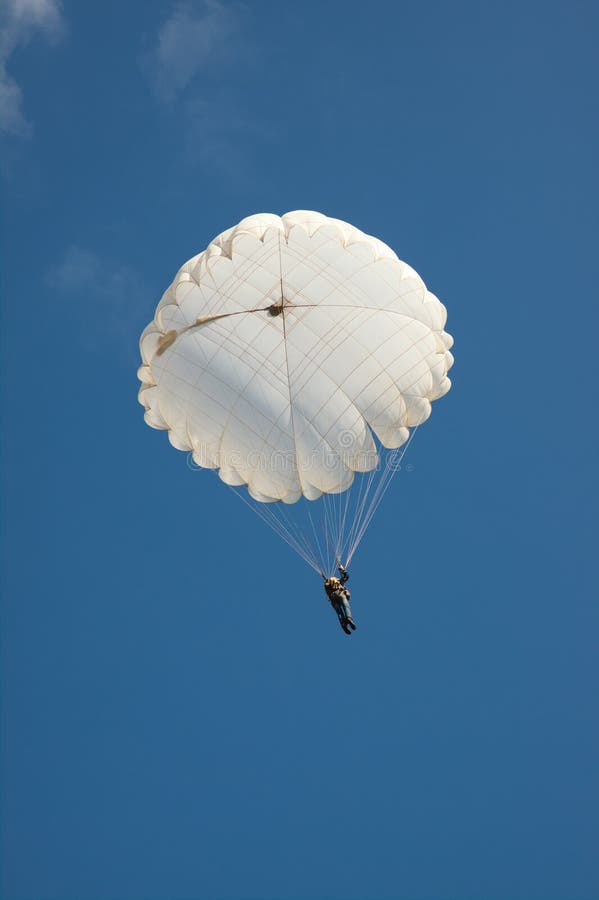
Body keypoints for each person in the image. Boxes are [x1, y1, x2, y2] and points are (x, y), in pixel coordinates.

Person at [324, 565, 356, 635]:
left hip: (332, 598)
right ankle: (349, 618)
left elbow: (327, 587)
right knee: (346, 605)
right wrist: (342, 570)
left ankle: (343, 624)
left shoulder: (327, 584)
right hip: (340, 594)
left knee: (339, 612)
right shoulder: (339, 582)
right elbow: (346, 577)